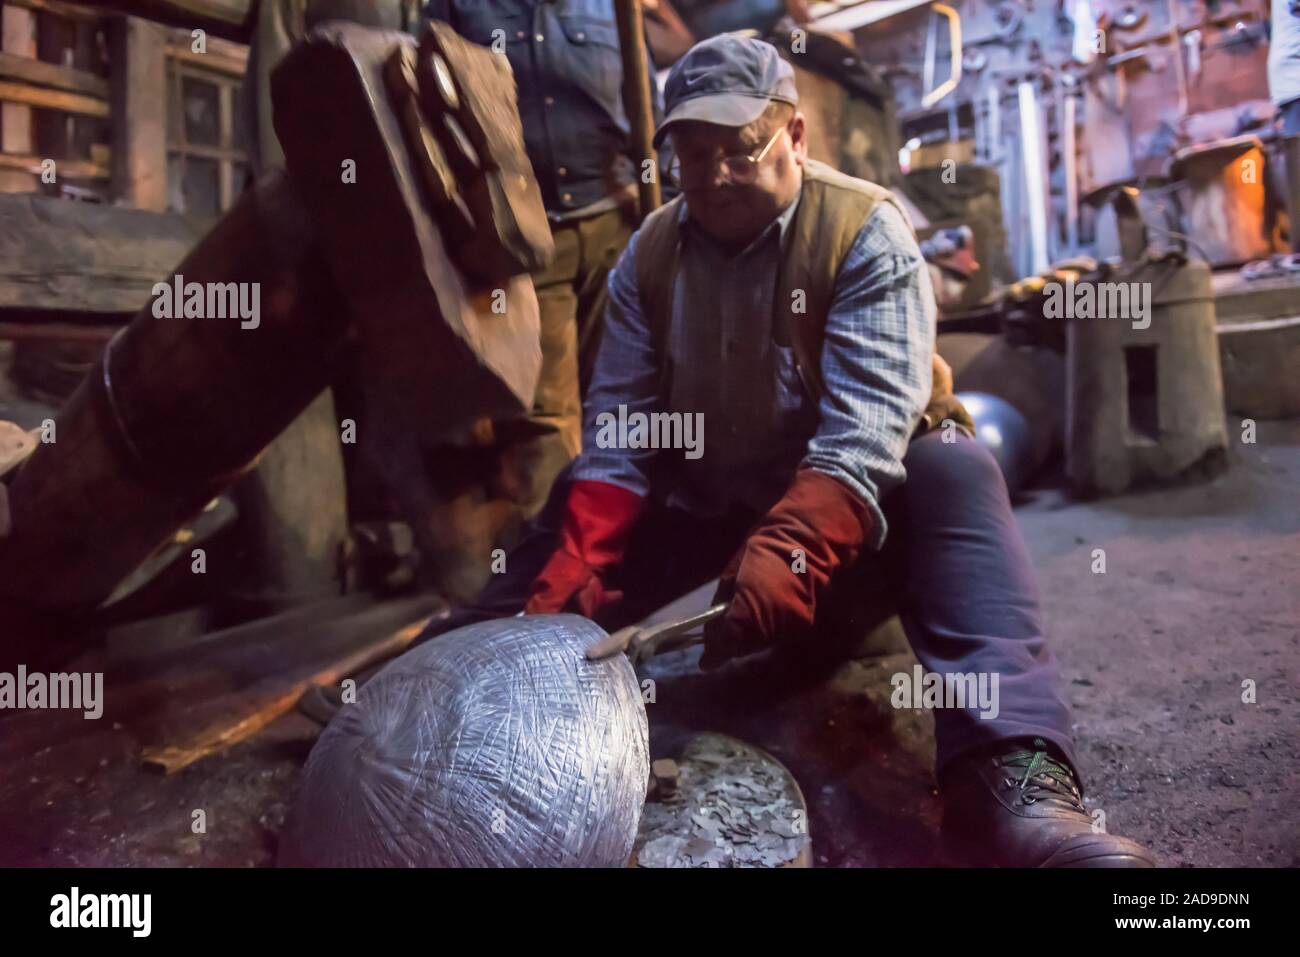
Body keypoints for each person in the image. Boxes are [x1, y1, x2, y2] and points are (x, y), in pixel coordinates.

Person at [397, 34, 1157, 868]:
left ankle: (1013, 783)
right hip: (720, 508)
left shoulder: (866, 231)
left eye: (739, 149)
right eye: (693, 156)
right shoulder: (648, 257)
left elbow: (864, 436)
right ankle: (434, 686)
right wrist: (586, 552)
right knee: (574, 508)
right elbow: (622, 434)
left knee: (953, 466)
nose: (715, 175)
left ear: (795, 137)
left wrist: (795, 547)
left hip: (857, 525)